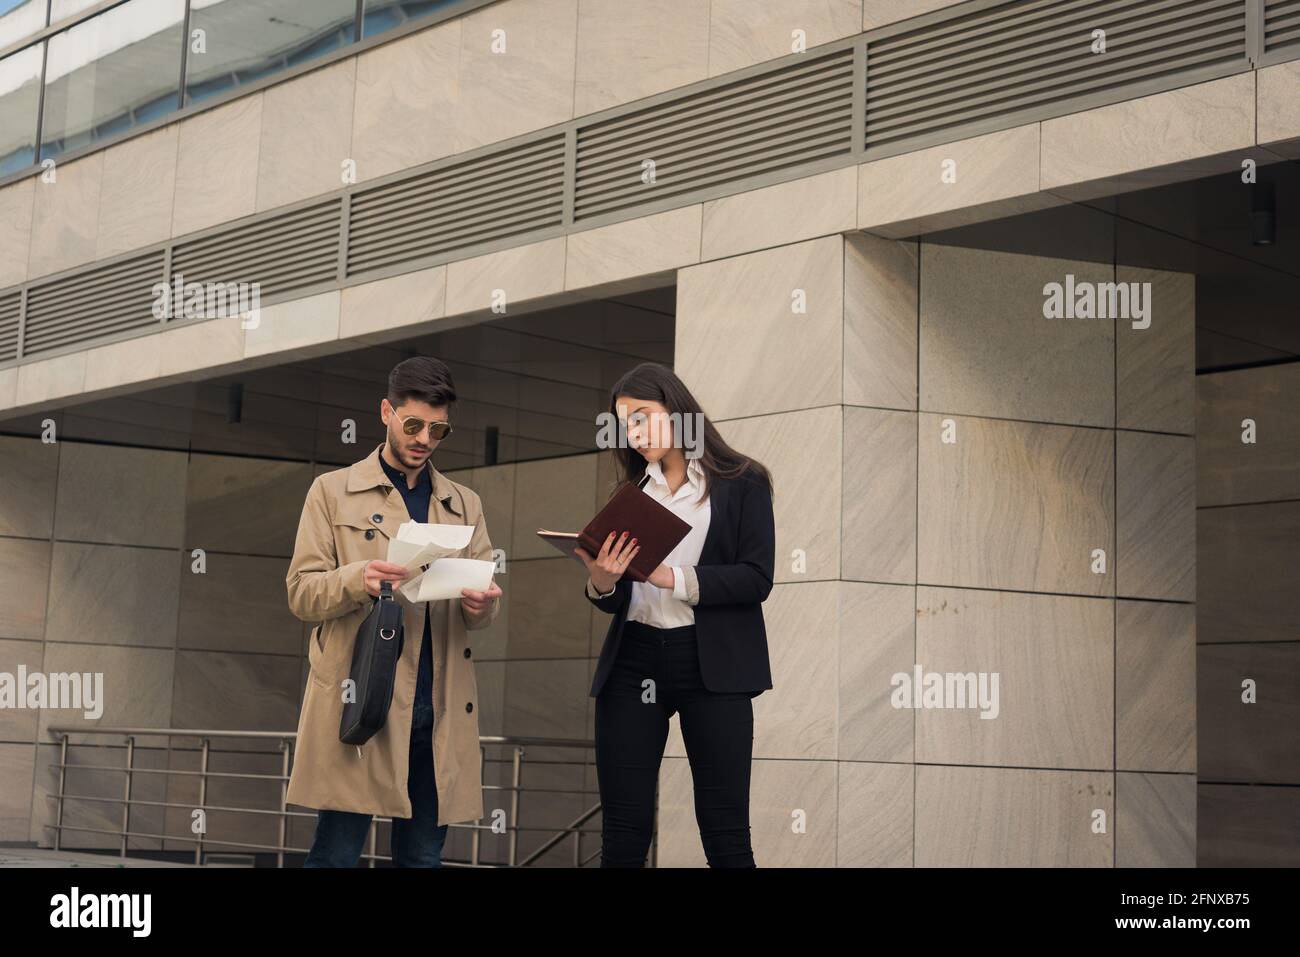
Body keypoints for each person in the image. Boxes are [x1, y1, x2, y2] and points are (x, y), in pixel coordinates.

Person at [285, 356, 502, 867]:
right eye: (413, 424)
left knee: (423, 858)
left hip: (436, 705)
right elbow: (300, 593)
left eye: (438, 429)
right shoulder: (332, 491)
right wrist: (356, 579)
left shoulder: (464, 503)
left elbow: (482, 604)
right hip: (364, 698)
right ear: (386, 412)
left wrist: (479, 604)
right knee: (335, 854)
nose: (425, 438)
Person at [576, 362, 775, 868]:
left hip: (713, 666)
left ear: (677, 408)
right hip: (633, 660)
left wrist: (674, 578)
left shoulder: (743, 481)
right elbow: (620, 596)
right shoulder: (632, 494)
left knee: (726, 833)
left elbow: (757, 577)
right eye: (625, 426)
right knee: (624, 831)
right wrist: (602, 582)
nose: (634, 434)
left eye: (642, 417)